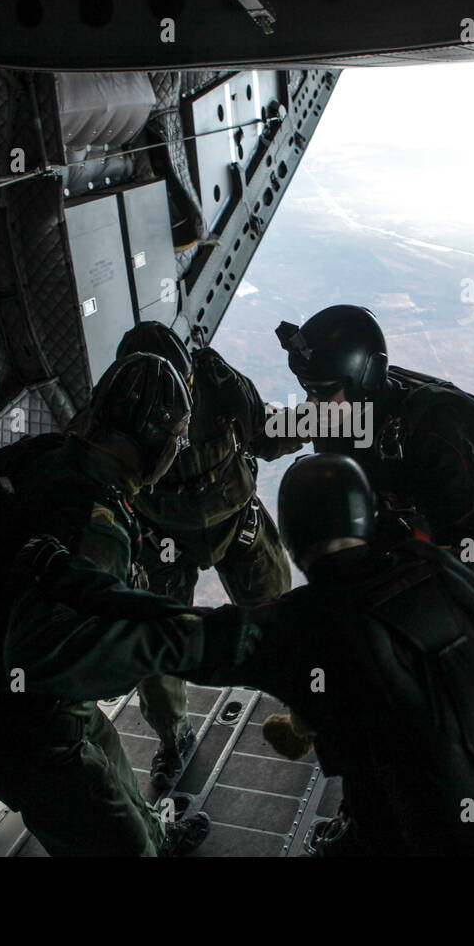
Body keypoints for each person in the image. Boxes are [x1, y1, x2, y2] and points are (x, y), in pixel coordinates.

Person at [0, 353, 259, 856]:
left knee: (107, 755)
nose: (179, 448)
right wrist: (155, 649)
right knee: (106, 839)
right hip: (12, 725)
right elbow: (54, 655)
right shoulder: (93, 521)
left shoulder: (41, 455)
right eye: (178, 436)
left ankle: (158, 838)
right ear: (155, 442)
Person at [203, 453, 474, 855]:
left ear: (292, 537)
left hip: (461, 839)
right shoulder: (444, 566)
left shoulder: (310, 622)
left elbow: (206, 646)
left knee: (371, 757)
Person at [104, 322, 302, 789]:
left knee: (283, 620)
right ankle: (174, 739)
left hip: (235, 523)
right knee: (157, 649)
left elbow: (266, 431)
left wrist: (326, 419)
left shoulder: (220, 388)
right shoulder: (120, 408)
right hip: (160, 540)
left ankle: (304, 709)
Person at [276, 304, 474, 607]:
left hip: (438, 549)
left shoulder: (432, 436)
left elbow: (468, 555)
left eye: (324, 392)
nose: (312, 404)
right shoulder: (341, 414)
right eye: (308, 390)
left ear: (362, 380)